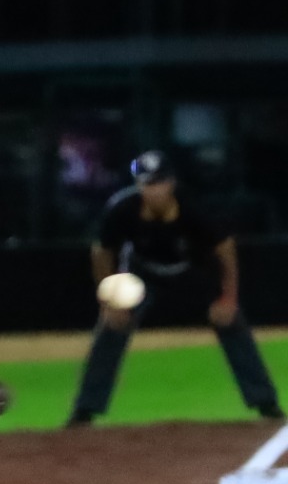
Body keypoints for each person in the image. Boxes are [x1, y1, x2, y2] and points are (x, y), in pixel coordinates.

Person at [66, 150, 282, 426]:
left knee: (231, 321)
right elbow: (101, 252)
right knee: (111, 326)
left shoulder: (195, 207)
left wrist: (228, 298)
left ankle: (266, 403)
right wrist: (108, 303)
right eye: (146, 184)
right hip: (142, 271)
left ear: (171, 183)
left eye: (159, 183)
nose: (153, 190)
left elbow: (225, 250)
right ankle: (85, 410)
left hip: (193, 270)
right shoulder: (123, 208)